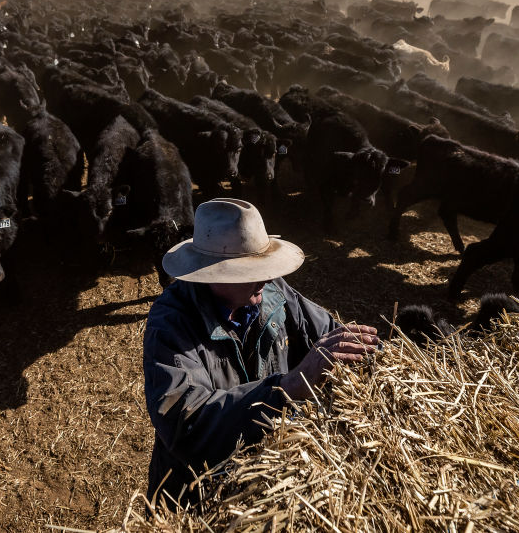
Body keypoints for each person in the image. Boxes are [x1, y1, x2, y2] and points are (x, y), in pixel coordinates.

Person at [143, 198, 380, 507]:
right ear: (215, 274)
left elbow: (330, 335)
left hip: (272, 480)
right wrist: (286, 389)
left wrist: (377, 357)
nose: (268, 278)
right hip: (200, 493)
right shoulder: (172, 324)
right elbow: (186, 426)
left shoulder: (271, 292)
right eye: (252, 271)